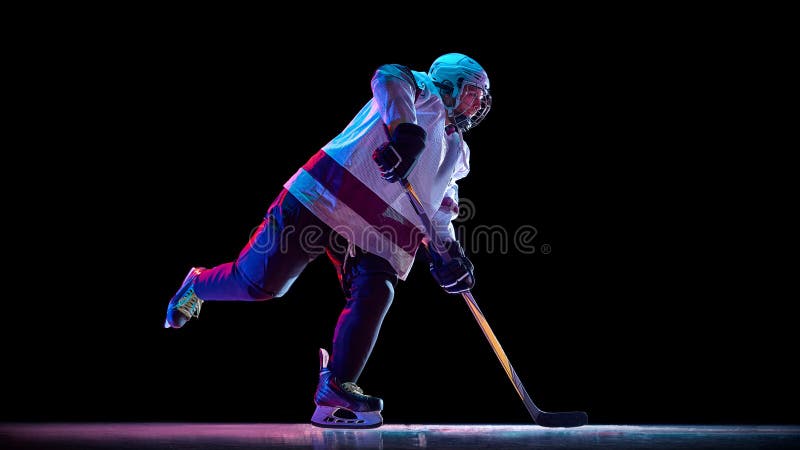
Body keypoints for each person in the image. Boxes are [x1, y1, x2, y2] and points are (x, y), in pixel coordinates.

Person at [163, 53, 492, 428]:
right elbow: (388, 75)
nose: (478, 104)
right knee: (258, 284)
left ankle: (336, 386)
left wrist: (448, 251)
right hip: (326, 196)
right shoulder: (421, 91)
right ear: (448, 84)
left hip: (379, 231)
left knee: (377, 290)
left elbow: (439, 209)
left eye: (481, 98)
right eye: (472, 93)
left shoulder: (458, 151)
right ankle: (198, 284)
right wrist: (407, 131)